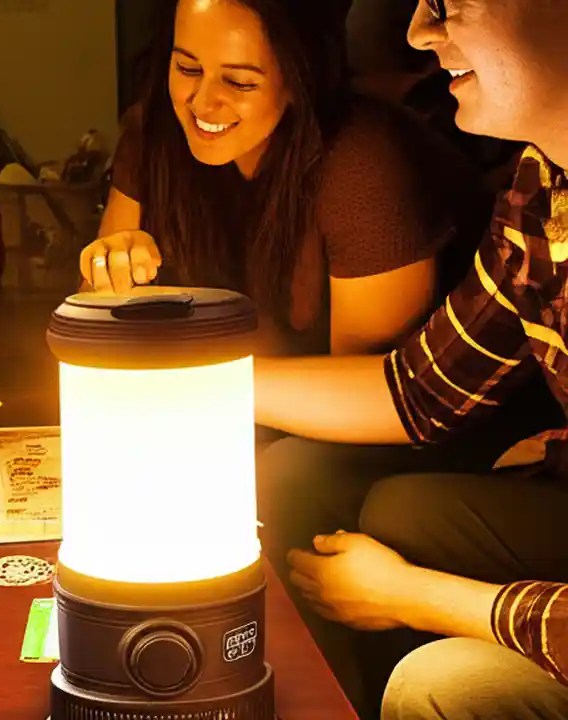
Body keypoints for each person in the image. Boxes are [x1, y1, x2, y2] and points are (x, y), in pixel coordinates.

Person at [113, 0, 568, 717]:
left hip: (490, 453)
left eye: (453, 4)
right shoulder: (542, 188)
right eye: (185, 66)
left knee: (299, 488)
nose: (420, 32)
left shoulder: (357, 165)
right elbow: (419, 389)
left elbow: (387, 398)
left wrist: (419, 597)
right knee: (401, 511)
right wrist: (194, 383)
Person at [82, 0, 491, 359]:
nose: (202, 102)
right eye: (187, 67)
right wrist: (111, 273)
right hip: (243, 401)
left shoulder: (363, 166)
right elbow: (92, 331)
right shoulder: (157, 131)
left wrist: (204, 380)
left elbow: (367, 390)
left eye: (240, 81)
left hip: (380, 424)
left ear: (299, 80)